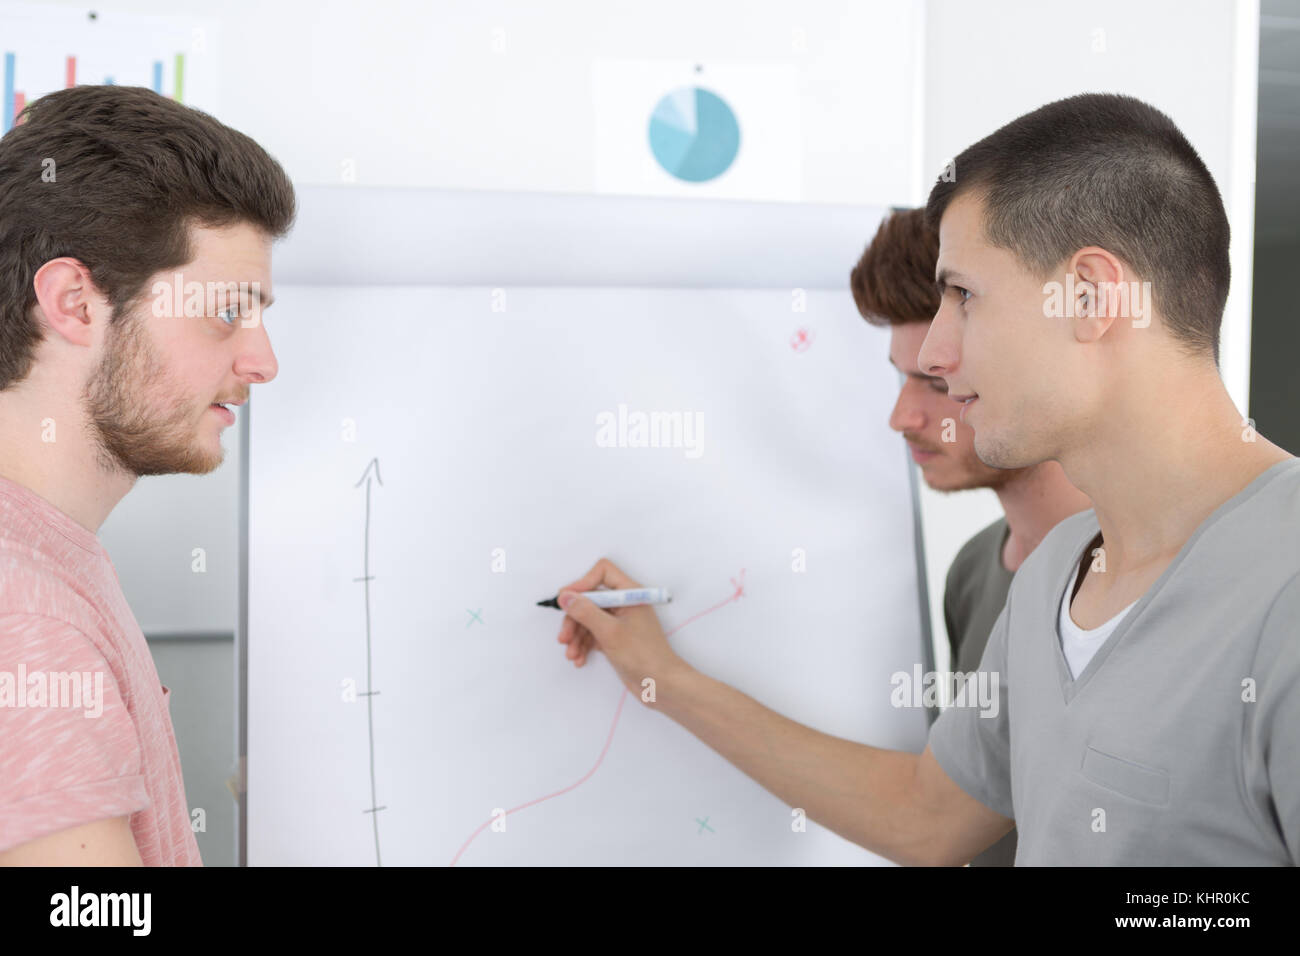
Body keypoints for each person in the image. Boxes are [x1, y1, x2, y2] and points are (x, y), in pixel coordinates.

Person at [554, 93, 1299, 865]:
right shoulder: (1052, 576)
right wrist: (662, 677)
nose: (939, 353)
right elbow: (927, 816)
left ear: (1092, 295)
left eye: (965, 297)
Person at [0, 85, 294, 864]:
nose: (263, 362)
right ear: (75, 303)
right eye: (228, 309)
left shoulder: (52, 564)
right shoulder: (28, 622)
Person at [851, 207, 1091, 864]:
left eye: (936, 382)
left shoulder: (1135, 580)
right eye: (902, 378)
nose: (903, 417)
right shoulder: (972, 574)